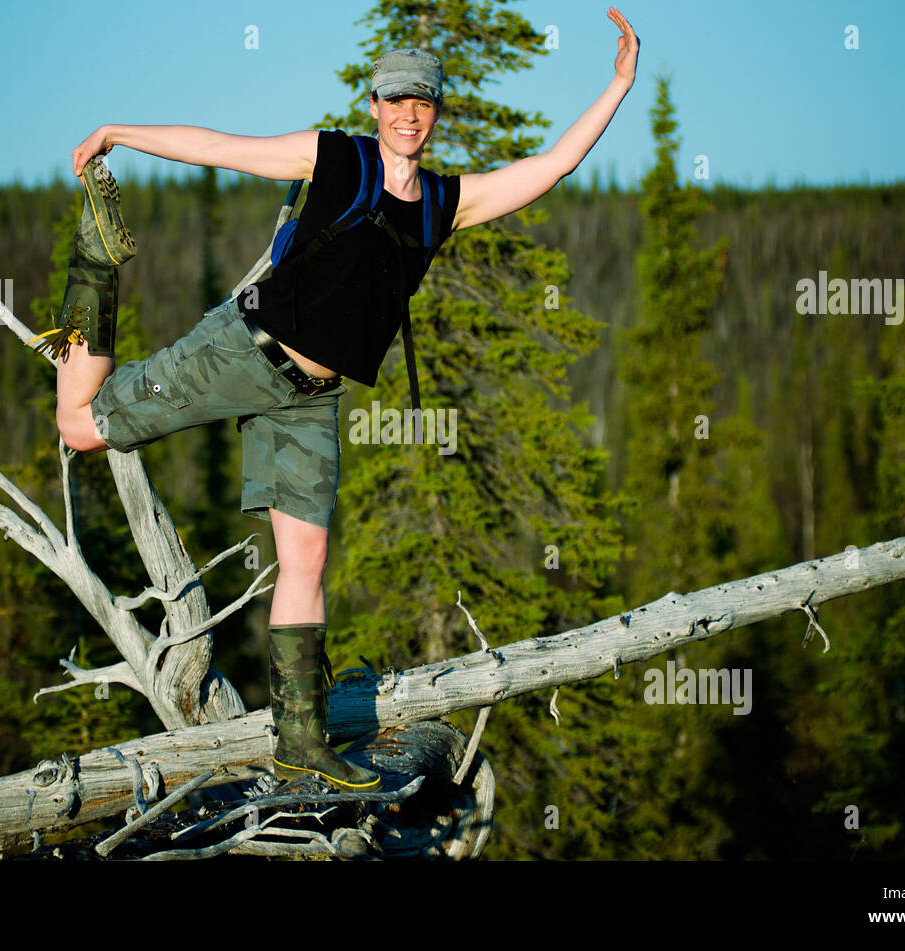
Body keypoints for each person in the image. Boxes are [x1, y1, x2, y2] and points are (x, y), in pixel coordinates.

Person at [35, 8, 639, 791]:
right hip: (238, 352)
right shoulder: (335, 159)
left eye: (421, 102)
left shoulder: (442, 204)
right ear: (374, 107)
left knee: (307, 559)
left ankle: (299, 737)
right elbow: (220, 148)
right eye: (395, 101)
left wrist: (618, 84)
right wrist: (119, 131)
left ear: (435, 113)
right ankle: (93, 255)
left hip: (311, 399)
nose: (408, 114)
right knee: (80, 426)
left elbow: (552, 165)